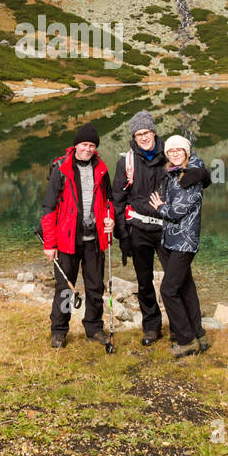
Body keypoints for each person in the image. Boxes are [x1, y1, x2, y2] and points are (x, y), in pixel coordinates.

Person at [40, 123, 115, 348]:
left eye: (92, 145)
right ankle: (59, 330)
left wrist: (110, 219)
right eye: (84, 144)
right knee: (64, 287)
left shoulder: (101, 169)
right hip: (66, 241)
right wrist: (49, 243)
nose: (88, 149)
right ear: (76, 145)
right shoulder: (61, 169)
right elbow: (49, 208)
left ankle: (94, 328)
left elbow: (109, 201)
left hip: (95, 240)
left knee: (95, 287)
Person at [149, 135, 209, 358]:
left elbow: (177, 211)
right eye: (170, 150)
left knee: (168, 289)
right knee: (185, 286)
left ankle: (186, 340)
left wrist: (160, 208)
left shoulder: (189, 175)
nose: (174, 153)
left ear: (186, 151)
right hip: (176, 240)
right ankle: (199, 335)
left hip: (184, 241)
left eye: (178, 150)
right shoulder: (178, 171)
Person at [111, 111, 168, 345]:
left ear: (154, 132)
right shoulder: (126, 162)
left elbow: (194, 178)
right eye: (138, 134)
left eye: (146, 132)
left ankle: (181, 324)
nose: (143, 137)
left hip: (167, 229)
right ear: (134, 137)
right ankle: (151, 326)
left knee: (176, 278)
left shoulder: (172, 155)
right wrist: (123, 236)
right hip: (139, 230)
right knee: (144, 281)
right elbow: (118, 200)